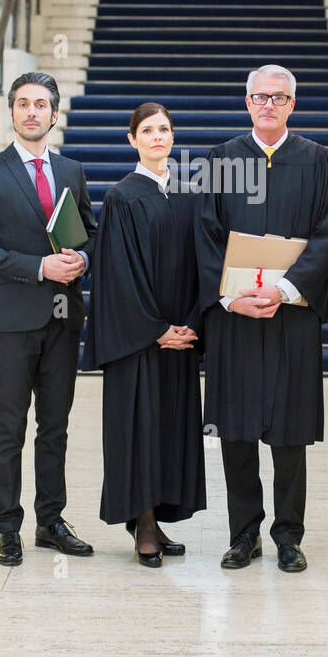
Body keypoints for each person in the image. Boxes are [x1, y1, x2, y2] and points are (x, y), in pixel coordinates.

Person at [195, 63, 328, 574]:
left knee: (289, 429)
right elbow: (206, 234)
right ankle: (243, 534)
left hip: (291, 313)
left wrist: (283, 289)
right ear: (247, 102)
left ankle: (288, 535)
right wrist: (232, 297)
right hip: (234, 316)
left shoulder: (319, 161)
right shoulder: (219, 160)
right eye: (260, 97)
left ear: (293, 104)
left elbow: (327, 234)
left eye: (279, 98)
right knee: (235, 428)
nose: (269, 105)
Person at [0, 72, 97, 567]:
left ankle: (51, 521)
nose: (32, 111)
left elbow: (89, 233)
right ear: (12, 113)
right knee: (10, 426)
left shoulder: (71, 170)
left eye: (41, 104)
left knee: (55, 426)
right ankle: (7, 526)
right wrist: (39, 266)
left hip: (64, 319)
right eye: (23, 103)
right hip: (14, 319)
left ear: (54, 115)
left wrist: (82, 259)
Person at [82, 103, 205, 567]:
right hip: (139, 341)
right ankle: (144, 524)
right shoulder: (121, 197)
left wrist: (192, 323)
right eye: (148, 130)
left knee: (169, 428)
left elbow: (203, 268)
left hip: (180, 339)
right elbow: (116, 275)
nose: (158, 137)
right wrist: (155, 330)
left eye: (165, 129)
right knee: (140, 428)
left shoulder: (190, 195)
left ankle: (157, 515)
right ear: (132, 139)